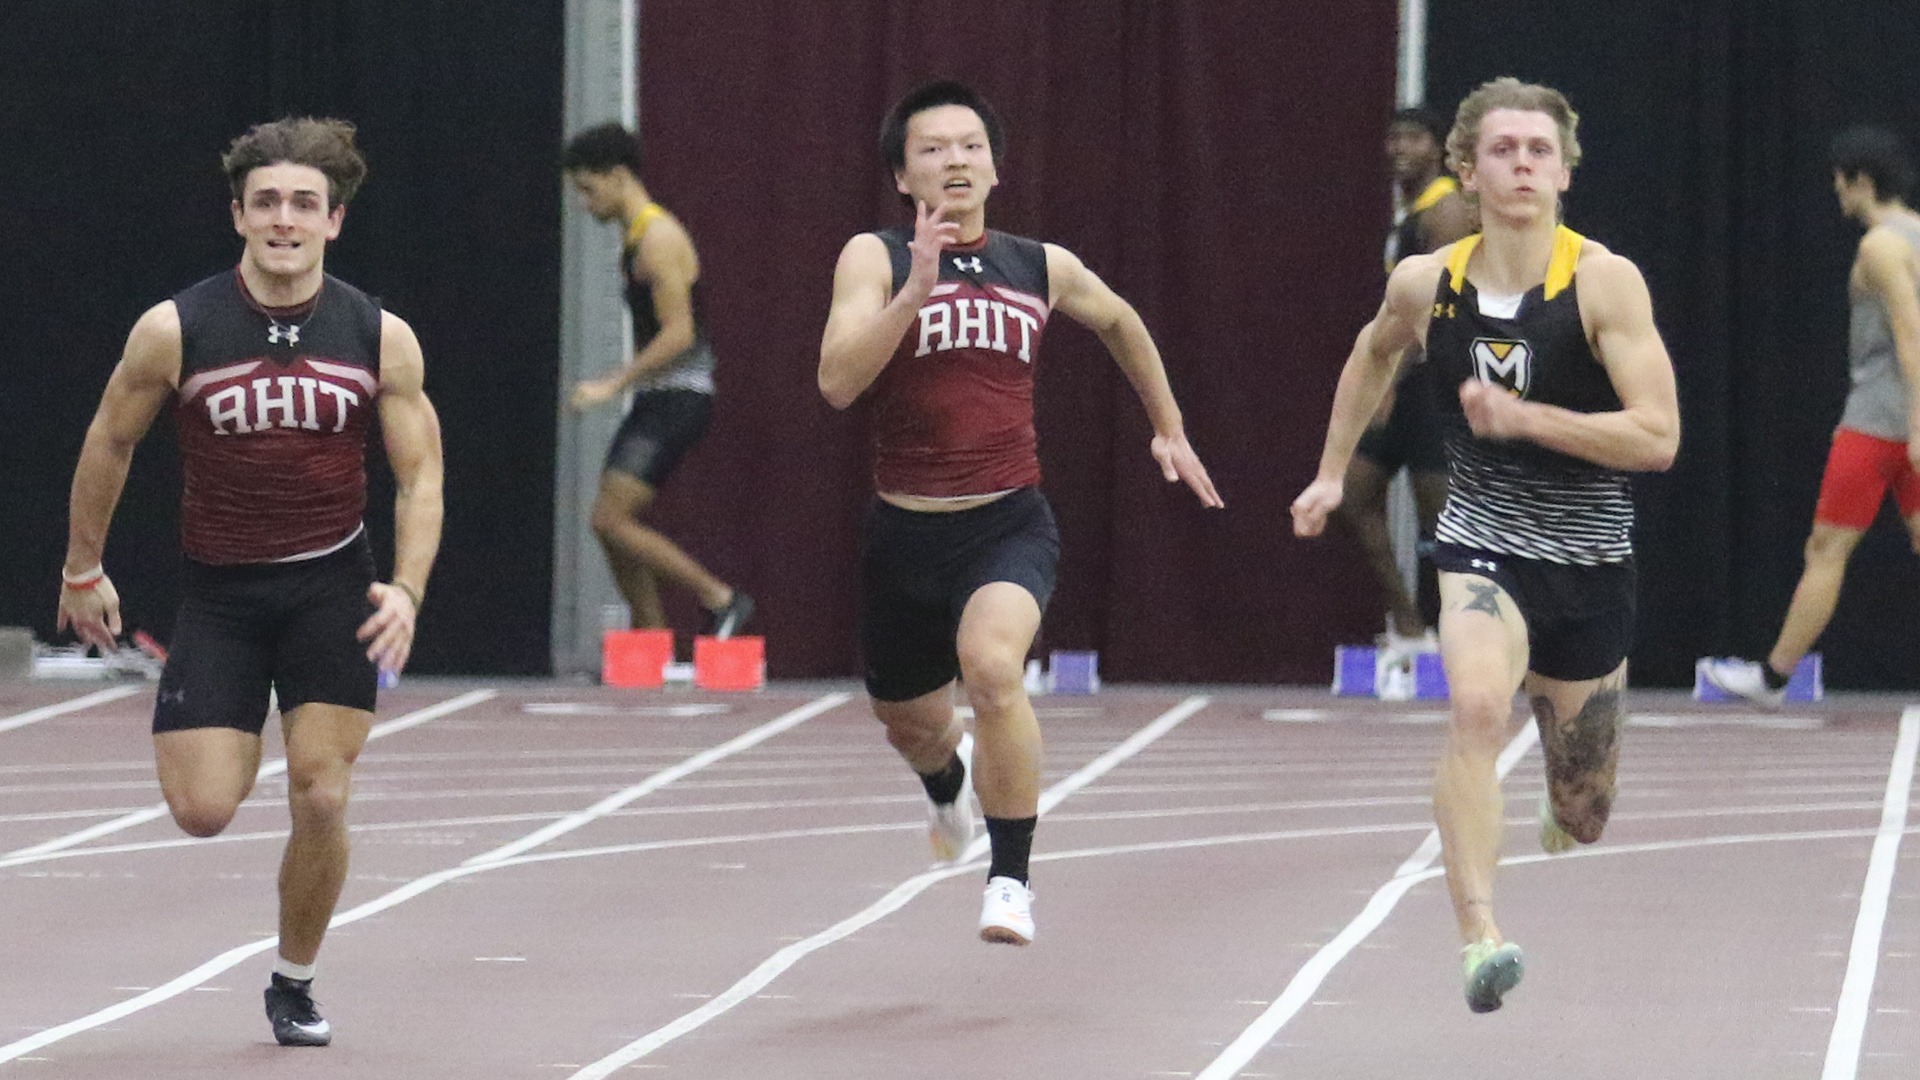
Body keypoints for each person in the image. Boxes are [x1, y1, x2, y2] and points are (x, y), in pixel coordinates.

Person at [1292, 78, 1679, 1012]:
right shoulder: (1427, 284)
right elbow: (1372, 353)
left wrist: (1528, 418)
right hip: (1482, 545)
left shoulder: (1603, 283)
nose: (1523, 166)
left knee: (1585, 812)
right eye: (1503, 150)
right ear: (1467, 170)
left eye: (1540, 151)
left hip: (1589, 564)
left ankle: (1559, 794)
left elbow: (1658, 437)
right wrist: (1332, 473)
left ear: (1565, 172)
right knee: (1473, 707)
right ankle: (1479, 937)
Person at [55, 117, 444, 1047]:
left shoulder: (378, 335)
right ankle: (234, 722)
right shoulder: (177, 328)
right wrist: (82, 566)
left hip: (332, 590)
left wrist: (406, 588)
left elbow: (421, 474)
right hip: (222, 595)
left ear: (334, 221)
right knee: (202, 810)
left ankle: (294, 982)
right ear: (237, 214)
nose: (284, 220)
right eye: (266, 202)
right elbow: (110, 440)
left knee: (321, 792)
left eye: (304, 204)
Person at [818, 80, 1222, 945]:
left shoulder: (1041, 265)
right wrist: (913, 290)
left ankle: (1010, 880)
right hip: (904, 533)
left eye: (971, 146)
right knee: (911, 725)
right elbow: (838, 382)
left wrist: (1168, 427)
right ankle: (946, 782)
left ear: (997, 168)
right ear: (902, 176)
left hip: (1005, 523)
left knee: (992, 667)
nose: (955, 161)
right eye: (933, 149)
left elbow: (1120, 322)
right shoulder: (873, 257)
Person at [1704, 126, 1920, 705]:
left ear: (1861, 181)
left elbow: (1910, 335)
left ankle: (1774, 678)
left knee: (1826, 550)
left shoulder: (1880, 246)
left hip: (1883, 425)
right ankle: (1774, 675)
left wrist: (1916, 426)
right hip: (1890, 420)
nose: (1836, 192)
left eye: (1840, 182)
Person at [562, 123, 753, 641]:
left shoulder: (658, 239)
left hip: (680, 396)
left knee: (610, 520)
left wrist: (613, 383)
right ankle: (651, 639)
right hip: (661, 396)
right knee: (608, 524)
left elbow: (680, 333)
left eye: (589, 189)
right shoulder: (636, 238)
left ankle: (721, 598)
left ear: (619, 176)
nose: (585, 203)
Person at [1343, 106, 1476, 685]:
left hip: (1432, 383)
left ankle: (1473, 640)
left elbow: (1433, 315)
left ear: (1439, 148)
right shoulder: (1409, 213)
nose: (1400, 148)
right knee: (1352, 497)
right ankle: (1410, 625)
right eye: (1393, 137)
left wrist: (1386, 385)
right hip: (1404, 378)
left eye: (1414, 138)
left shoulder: (1447, 211)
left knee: (1440, 524)